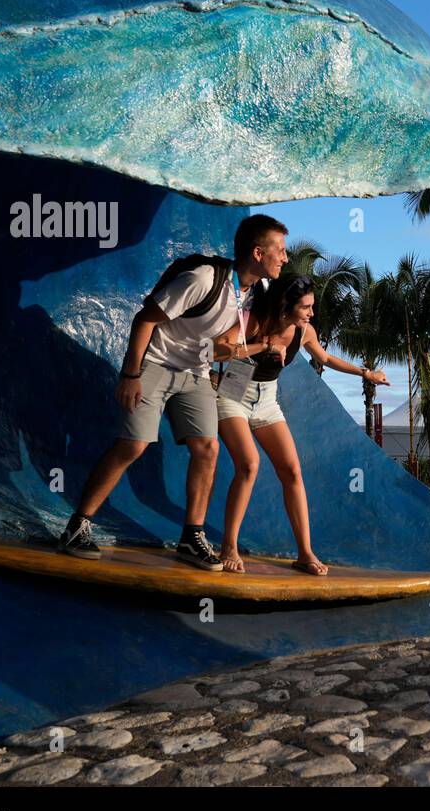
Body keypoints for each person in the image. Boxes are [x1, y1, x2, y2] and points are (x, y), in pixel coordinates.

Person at [56, 214, 290, 569]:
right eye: (281, 251)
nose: (285, 258)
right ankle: (77, 526)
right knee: (133, 445)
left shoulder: (257, 292)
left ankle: (190, 537)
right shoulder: (202, 279)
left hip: (195, 373)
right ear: (258, 253)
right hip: (156, 363)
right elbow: (145, 319)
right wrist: (131, 374)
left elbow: (234, 338)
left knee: (207, 449)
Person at [212, 272, 390, 574]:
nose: (311, 313)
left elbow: (326, 358)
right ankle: (229, 545)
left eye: (312, 307)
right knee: (249, 465)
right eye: (305, 307)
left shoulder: (304, 331)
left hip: (267, 400)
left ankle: (305, 553)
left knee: (292, 471)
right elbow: (217, 348)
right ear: (287, 306)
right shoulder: (256, 320)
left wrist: (365, 373)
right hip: (233, 394)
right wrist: (265, 347)